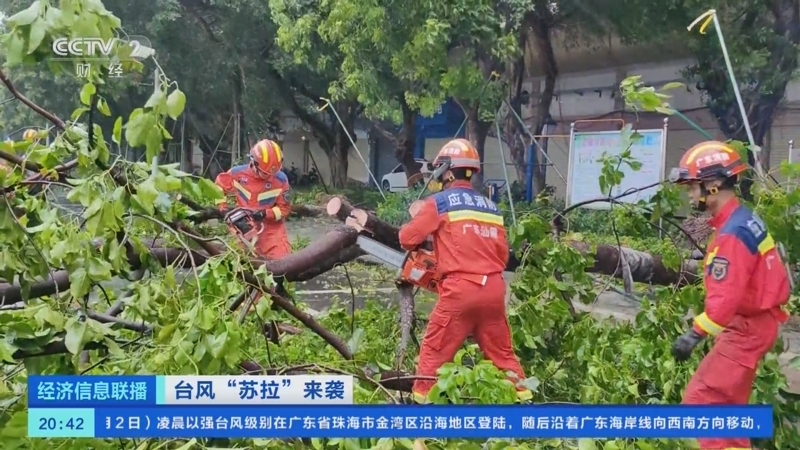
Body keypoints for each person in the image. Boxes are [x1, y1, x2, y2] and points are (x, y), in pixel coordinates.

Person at [669, 140, 791, 450]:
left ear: (712, 185)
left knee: (700, 404)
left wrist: (692, 335)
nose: (689, 193)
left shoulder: (731, 236)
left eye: (692, 186)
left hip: (746, 331)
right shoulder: (743, 220)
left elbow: (723, 304)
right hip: (756, 324)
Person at [398, 138, 532, 404]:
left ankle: (421, 409)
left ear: (447, 170)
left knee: (434, 350)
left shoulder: (441, 203)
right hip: (494, 290)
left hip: (461, 291)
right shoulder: (491, 208)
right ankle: (524, 403)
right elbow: (502, 255)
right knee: (502, 354)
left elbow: (406, 238)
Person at [215, 139, 293, 302]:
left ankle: (277, 296)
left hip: (271, 230)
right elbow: (220, 188)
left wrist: (265, 214)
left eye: (271, 173)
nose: (268, 176)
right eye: (265, 173)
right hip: (245, 228)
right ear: (253, 163)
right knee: (245, 267)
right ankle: (246, 302)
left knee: (281, 263)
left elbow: (284, 210)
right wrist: (224, 207)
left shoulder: (280, 180)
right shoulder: (237, 174)